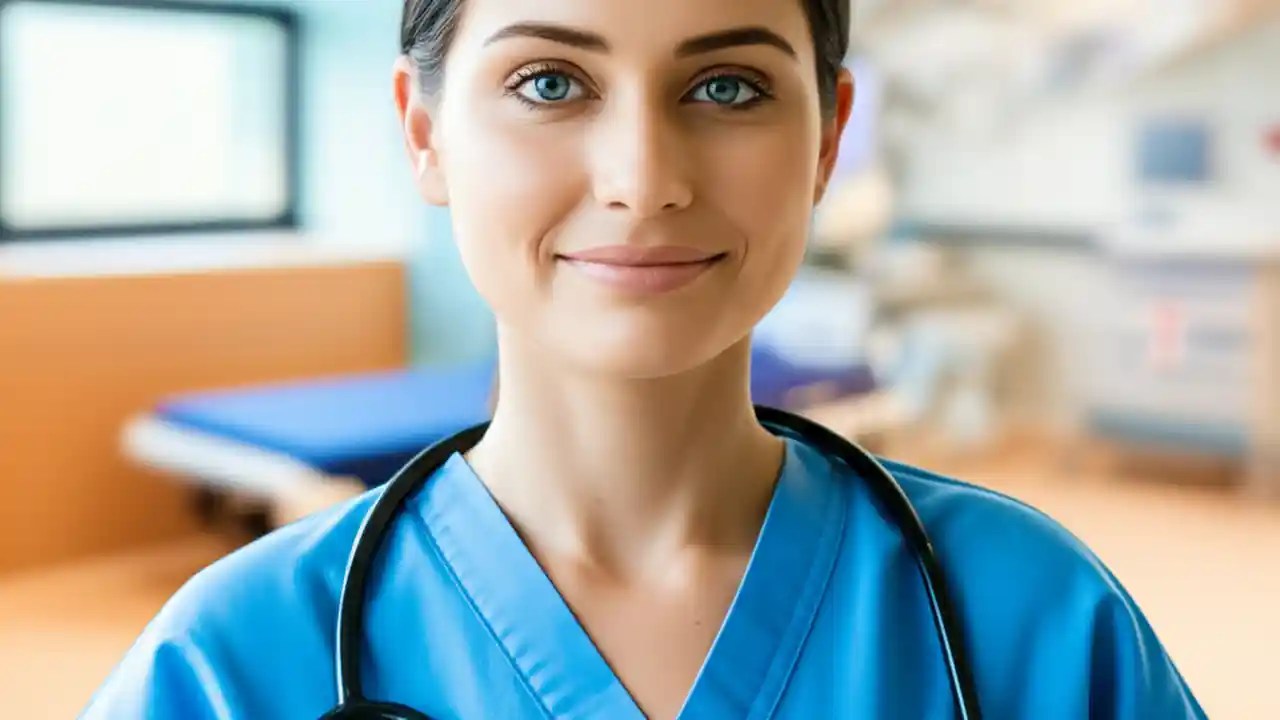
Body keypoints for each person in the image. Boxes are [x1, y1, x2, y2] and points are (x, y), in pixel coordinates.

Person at [82, 0, 1207, 718]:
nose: (642, 178)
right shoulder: (237, 661)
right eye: (549, 83)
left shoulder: (1030, 617)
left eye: (726, 87)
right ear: (422, 132)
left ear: (822, 138)